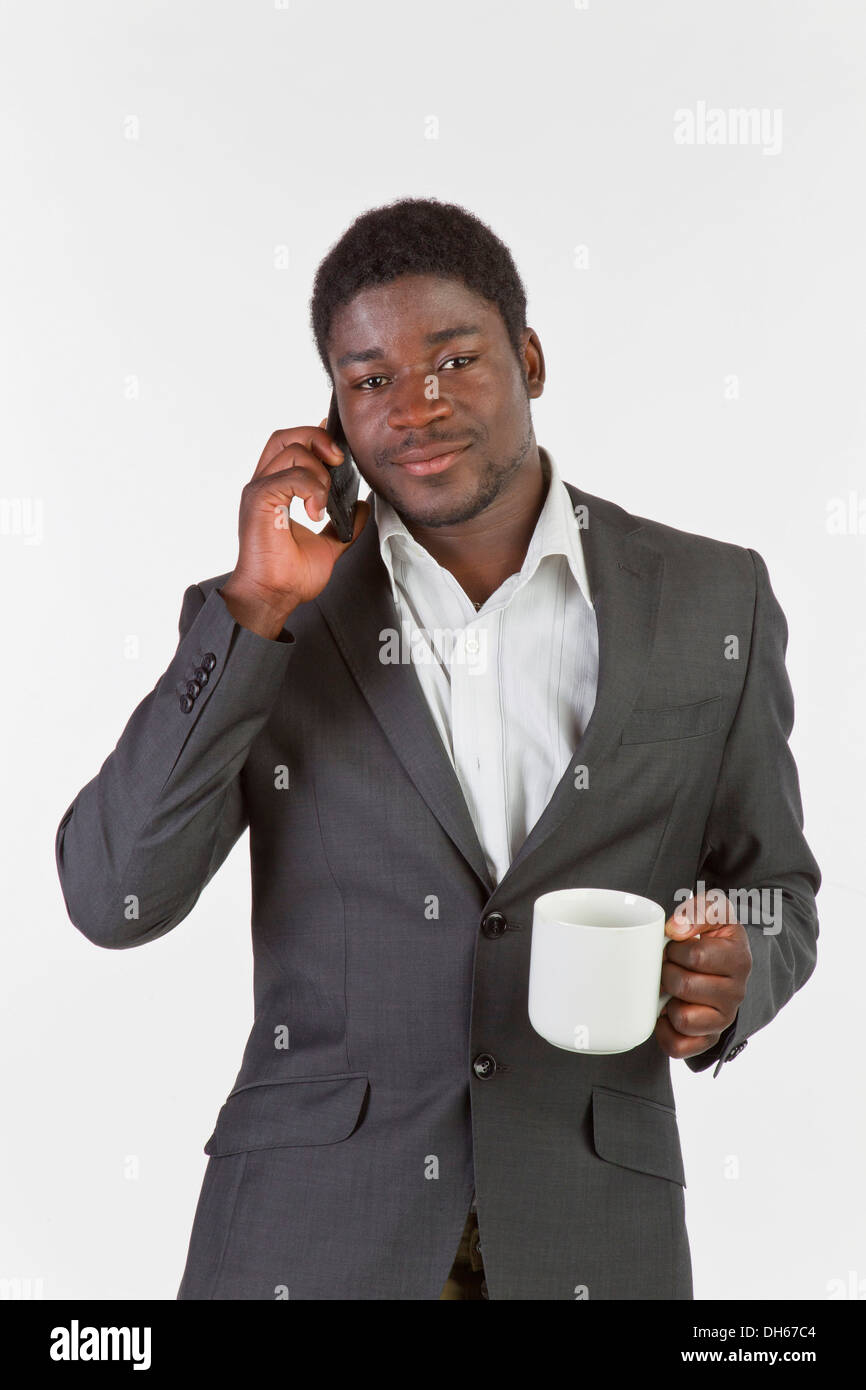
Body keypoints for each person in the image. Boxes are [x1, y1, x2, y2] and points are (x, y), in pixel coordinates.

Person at [55, 197, 820, 1300]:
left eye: (453, 359)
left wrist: (735, 974)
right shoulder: (275, 619)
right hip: (309, 1243)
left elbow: (772, 885)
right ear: (332, 418)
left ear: (530, 357)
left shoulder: (709, 596)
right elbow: (110, 897)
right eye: (368, 380)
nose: (412, 406)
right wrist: (257, 601)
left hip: (592, 1238)